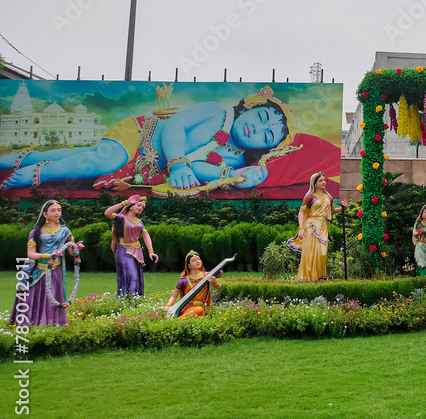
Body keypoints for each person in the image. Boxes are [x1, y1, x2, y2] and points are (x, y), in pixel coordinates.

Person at [1, 86, 296, 192]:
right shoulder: (215, 112)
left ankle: (19, 158)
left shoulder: (234, 158)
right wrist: (178, 163)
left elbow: (202, 170)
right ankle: (38, 173)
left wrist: (237, 175)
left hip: (146, 169)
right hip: (142, 136)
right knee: (104, 159)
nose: (256, 130)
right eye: (259, 119)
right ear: (247, 108)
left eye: (266, 134)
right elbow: (174, 127)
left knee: (86, 157)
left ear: (266, 146)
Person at [9, 200, 84, 327]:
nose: (57, 213)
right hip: (37, 269)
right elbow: (30, 254)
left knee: (52, 297)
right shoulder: (36, 232)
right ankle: (30, 324)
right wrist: (49, 255)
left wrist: (76, 249)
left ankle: (51, 325)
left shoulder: (65, 231)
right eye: (53, 210)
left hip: (55, 270)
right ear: (45, 214)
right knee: (33, 297)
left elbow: (70, 251)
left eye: (59, 210)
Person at [287, 172, 343, 282]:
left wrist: (343, 209)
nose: (323, 182)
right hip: (311, 226)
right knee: (310, 253)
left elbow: (332, 210)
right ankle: (308, 278)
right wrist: (301, 227)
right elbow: (302, 212)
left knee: (322, 253)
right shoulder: (310, 197)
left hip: (323, 227)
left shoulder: (329, 197)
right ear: (315, 184)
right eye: (320, 181)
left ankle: (320, 277)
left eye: (324, 180)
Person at [104, 195, 158, 297]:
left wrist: (151, 251)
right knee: (131, 276)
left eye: (143, 207)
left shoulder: (139, 222)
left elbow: (145, 235)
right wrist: (125, 202)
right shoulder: (121, 219)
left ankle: (135, 300)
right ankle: (129, 299)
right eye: (139, 205)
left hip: (137, 252)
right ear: (132, 205)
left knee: (137, 277)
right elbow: (107, 213)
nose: (141, 208)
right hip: (124, 251)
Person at [161, 251, 222, 318]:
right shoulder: (183, 280)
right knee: (198, 310)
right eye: (193, 260)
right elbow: (174, 296)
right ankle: (179, 321)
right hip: (187, 308)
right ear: (189, 265)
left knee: (200, 309)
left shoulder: (207, 276)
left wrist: (214, 282)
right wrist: (168, 306)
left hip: (202, 307)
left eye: (198, 259)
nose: (197, 261)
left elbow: (219, 287)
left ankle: (177, 321)